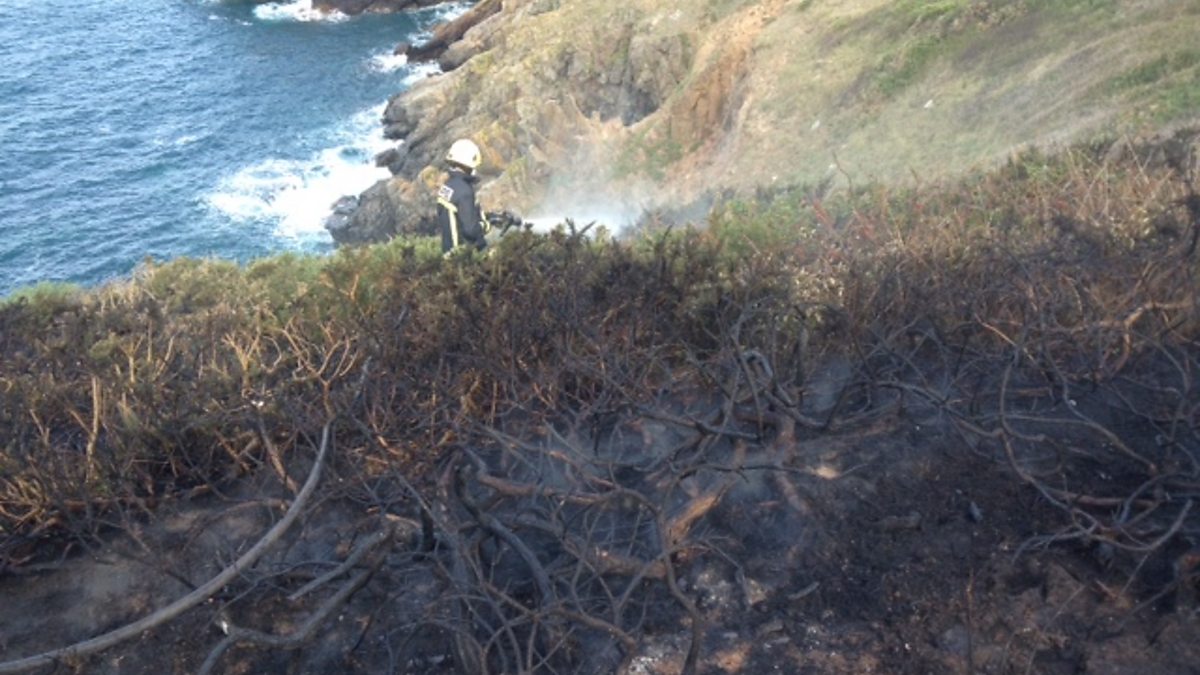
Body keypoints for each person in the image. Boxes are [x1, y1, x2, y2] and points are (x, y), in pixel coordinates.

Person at [437, 138, 492, 256]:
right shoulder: (464, 191)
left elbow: (458, 218)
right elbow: (470, 230)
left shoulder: (448, 186)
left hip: (448, 254)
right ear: (468, 164)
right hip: (462, 258)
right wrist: (486, 224)